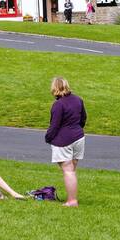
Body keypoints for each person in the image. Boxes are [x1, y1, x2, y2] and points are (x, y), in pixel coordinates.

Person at [45, 76, 86, 207]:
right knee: (71, 170)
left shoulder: (58, 105)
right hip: (79, 138)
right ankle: (71, 198)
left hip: (64, 141)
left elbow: (54, 126)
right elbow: (83, 119)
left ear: (54, 88)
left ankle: (72, 201)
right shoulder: (78, 100)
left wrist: (48, 137)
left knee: (68, 171)